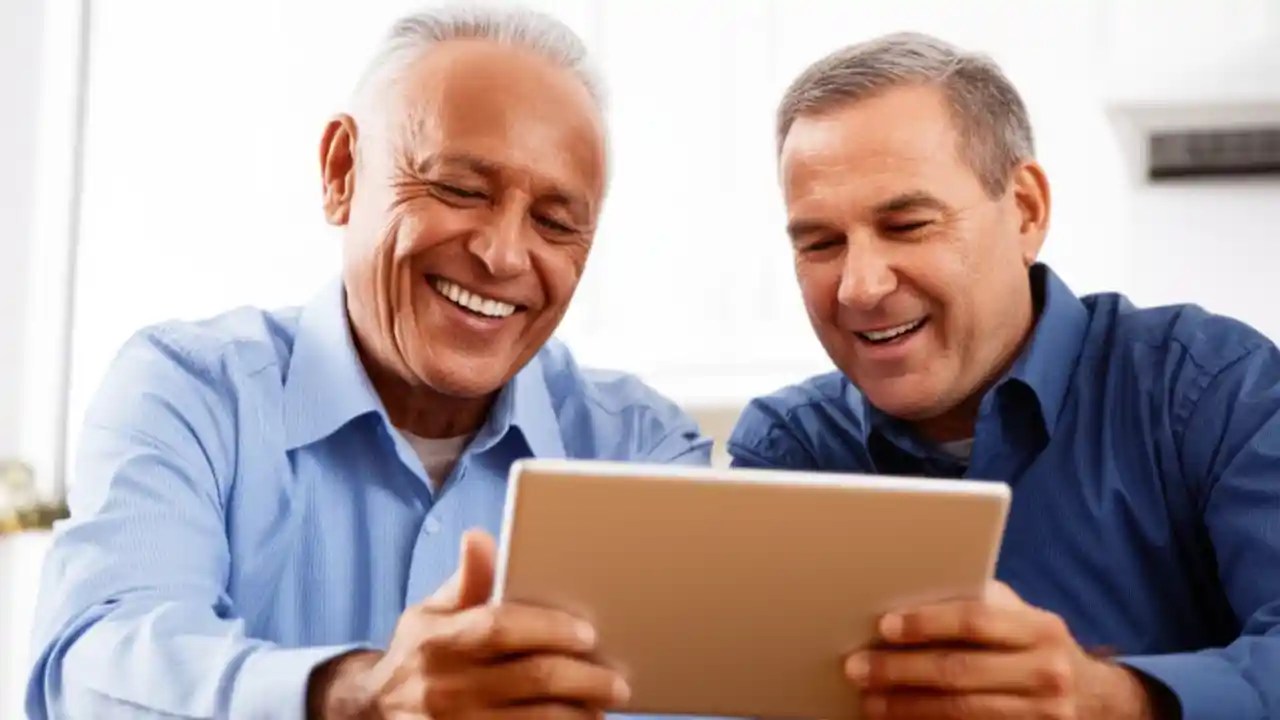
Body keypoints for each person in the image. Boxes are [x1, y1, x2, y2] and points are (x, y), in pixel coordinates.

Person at [26, 6, 714, 719]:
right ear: (342, 172)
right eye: (460, 189)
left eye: (555, 222)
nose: (504, 255)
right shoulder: (189, 392)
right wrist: (358, 696)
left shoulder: (642, 451)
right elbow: (96, 668)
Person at [729, 32, 1279, 720]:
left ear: (1025, 209)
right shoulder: (791, 452)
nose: (860, 287)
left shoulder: (1208, 390)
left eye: (907, 224)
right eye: (820, 243)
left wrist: (1112, 698)